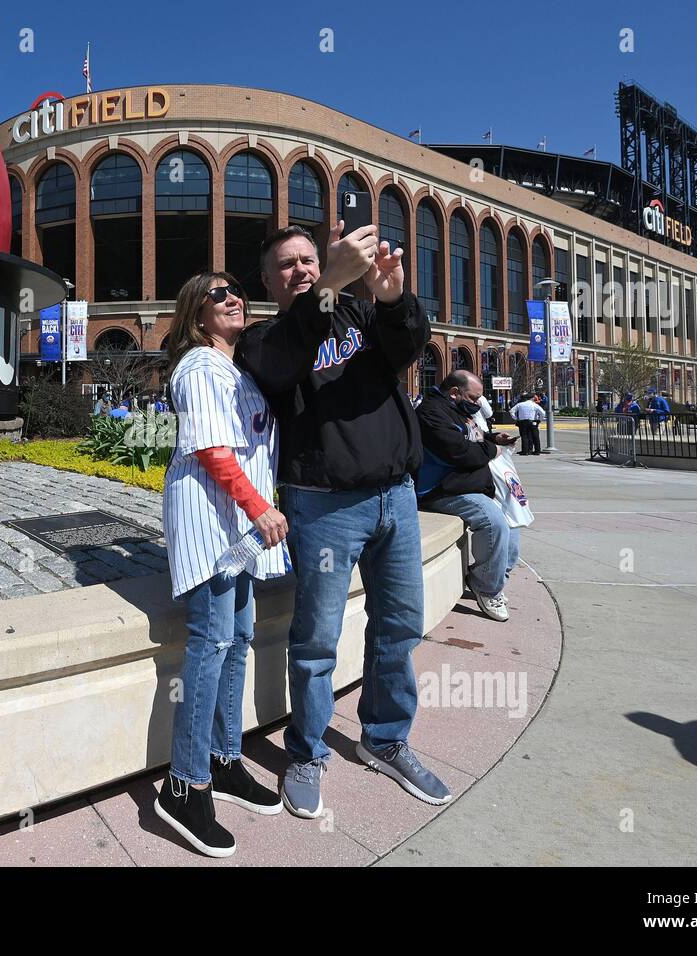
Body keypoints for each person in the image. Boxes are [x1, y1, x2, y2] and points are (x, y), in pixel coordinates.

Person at [236, 220, 452, 815]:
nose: (302, 269)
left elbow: (408, 350)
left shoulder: (359, 317)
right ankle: (305, 752)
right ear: (268, 280)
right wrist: (328, 283)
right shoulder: (262, 339)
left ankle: (385, 739)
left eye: (310, 258)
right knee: (317, 642)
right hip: (324, 505)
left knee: (399, 628)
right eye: (289, 265)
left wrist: (394, 299)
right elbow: (281, 367)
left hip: (397, 497)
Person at [155, 271, 290, 858]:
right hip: (214, 522)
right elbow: (211, 448)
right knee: (210, 644)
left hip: (238, 526)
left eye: (236, 289)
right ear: (195, 314)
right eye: (217, 293)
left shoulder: (234, 370)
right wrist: (260, 507)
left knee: (236, 639)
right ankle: (184, 784)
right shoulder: (200, 367)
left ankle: (225, 759)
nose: (232, 296)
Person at [416, 371, 520, 622]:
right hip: (442, 490)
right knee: (494, 523)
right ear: (454, 393)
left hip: (469, 486)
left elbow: (473, 438)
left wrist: (493, 438)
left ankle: (486, 577)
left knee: (512, 524)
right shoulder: (431, 413)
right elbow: (460, 452)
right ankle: (487, 588)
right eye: (474, 398)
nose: (478, 404)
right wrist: (492, 449)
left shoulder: (459, 410)